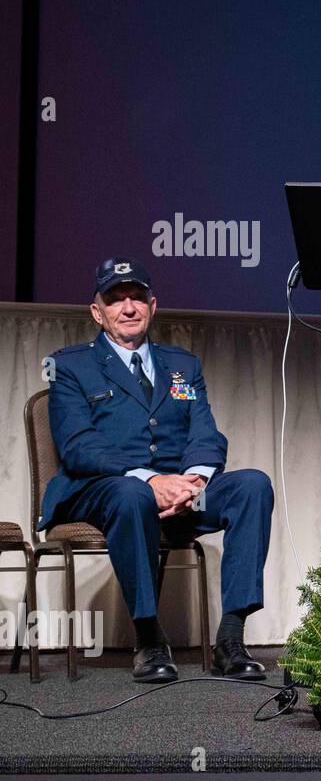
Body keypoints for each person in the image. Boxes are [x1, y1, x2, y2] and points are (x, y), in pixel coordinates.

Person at [38, 259, 274, 683]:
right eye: (115, 299)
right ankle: (148, 638)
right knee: (133, 494)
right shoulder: (69, 365)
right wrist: (151, 481)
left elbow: (206, 434)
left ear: (152, 305)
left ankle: (232, 638)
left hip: (180, 494)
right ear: (98, 312)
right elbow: (78, 447)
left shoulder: (183, 365)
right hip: (101, 491)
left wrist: (195, 481)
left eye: (137, 297)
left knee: (252, 485)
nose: (128, 307)